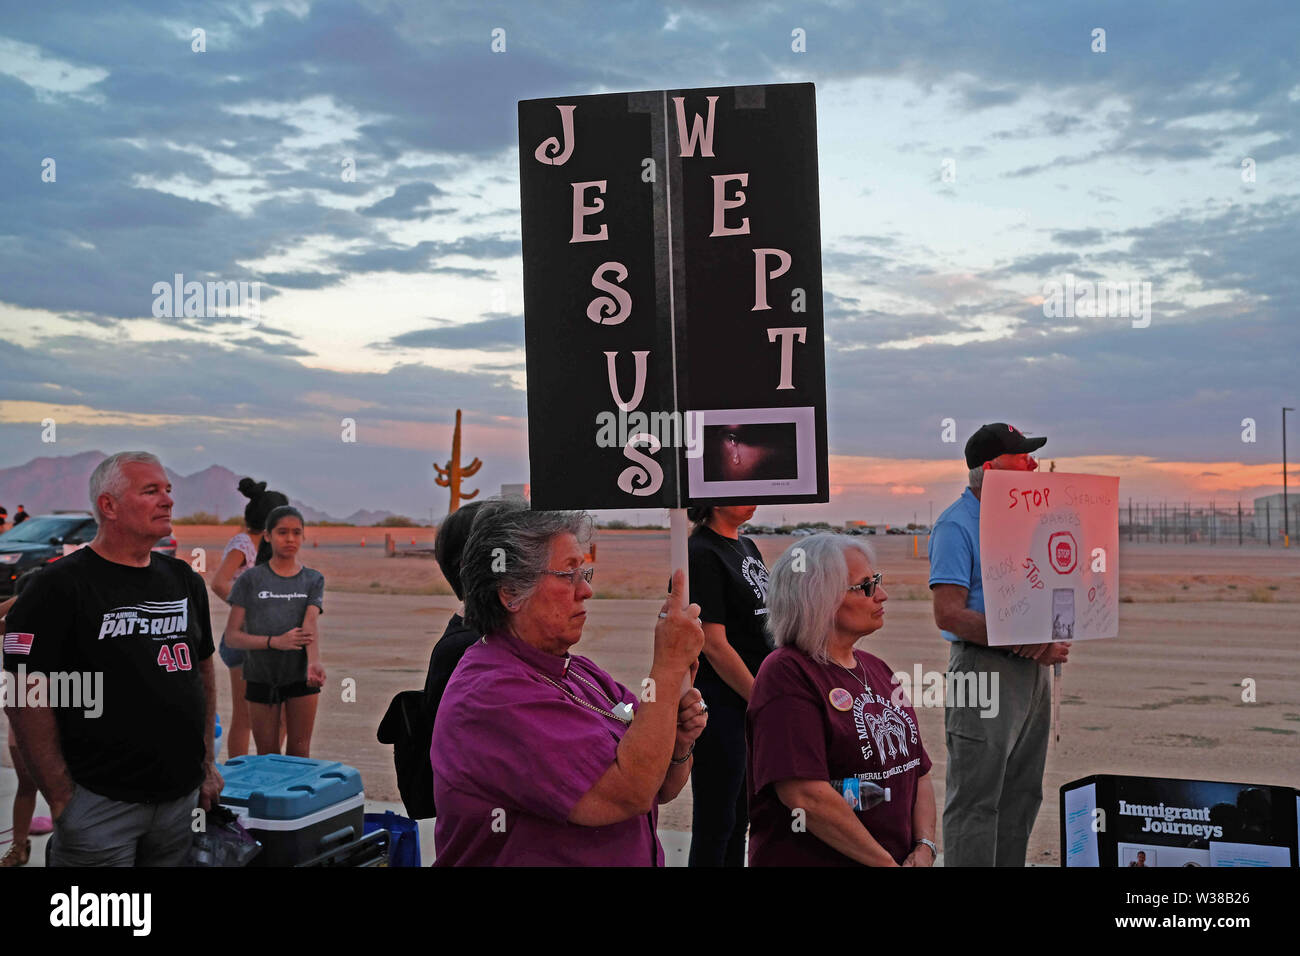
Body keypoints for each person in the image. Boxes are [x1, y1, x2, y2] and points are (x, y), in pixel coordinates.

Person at [431, 500, 707, 865]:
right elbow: (628, 794)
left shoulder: (578, 672)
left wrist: (679, 742)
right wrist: (668, 670)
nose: (586, 590)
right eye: (568, 574)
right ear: (511, 592)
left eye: (584, 573)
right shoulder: (492, 696)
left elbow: (659, 786)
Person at [1, 451, 222, 866]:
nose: (168, 500)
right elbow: (23, 692)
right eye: (151, 491)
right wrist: (61, 794)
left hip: (180, 803)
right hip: (98, 804)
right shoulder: (56, 587)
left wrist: (207, 765)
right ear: (109, 505)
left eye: (168, 490)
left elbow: (202, 671)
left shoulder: (184, 581)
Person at [928, 422, 1070, 867]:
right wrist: (1019, 639)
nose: (1032, 463)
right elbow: (948, 614)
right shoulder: (956, 525)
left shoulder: (1028, 521)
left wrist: (1054, 633)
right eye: (1021, 456)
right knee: (976, 797)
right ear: (990, 469)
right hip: (982, 670)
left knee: (1023, 792)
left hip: (1033, 671)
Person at [747, 533, 936, 866]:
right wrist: (885, 863)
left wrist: (924, 847)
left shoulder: (877, 669)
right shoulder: (787, 673)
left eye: (876, 581)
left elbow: (918, 771)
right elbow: (805, 795)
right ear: (819, 599)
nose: (882, 595)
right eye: (865, 586)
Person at [686, 504, 770, 867]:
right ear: (714, 498)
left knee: (740, 818)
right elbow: (713, 644)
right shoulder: (700, 553)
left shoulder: (747, 546)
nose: (753, 497)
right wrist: (762, 700)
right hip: (721, 704)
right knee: (716, 821)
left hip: (750, 701)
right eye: (740, 490)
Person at [223, 506, 324, 757]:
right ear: (267, 536)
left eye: (296, 532)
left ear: (303, 537)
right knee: (267, 755)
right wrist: (273, 642)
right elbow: (232, 637)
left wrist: (314, 662)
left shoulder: (313, 579)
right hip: (260, 676)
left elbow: (309, 623)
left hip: (301, 676)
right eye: (282, 532)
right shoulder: (250, 580)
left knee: (299, 754)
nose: (289, 539)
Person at [210, 477, 286, 757]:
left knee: (280, 714)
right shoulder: (244, 543)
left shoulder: (267, 547)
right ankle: (241, 777)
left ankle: (267, 767)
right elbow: (219, 582)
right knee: (245, 717)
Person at [0, 572, 43, 866]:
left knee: (65, 789)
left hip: (59, 711)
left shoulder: (59, 621)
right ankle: (19, 846)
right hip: (22, 713)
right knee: (26, 784)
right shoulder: (12, 625)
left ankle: (67, 845)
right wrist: (21, 601)